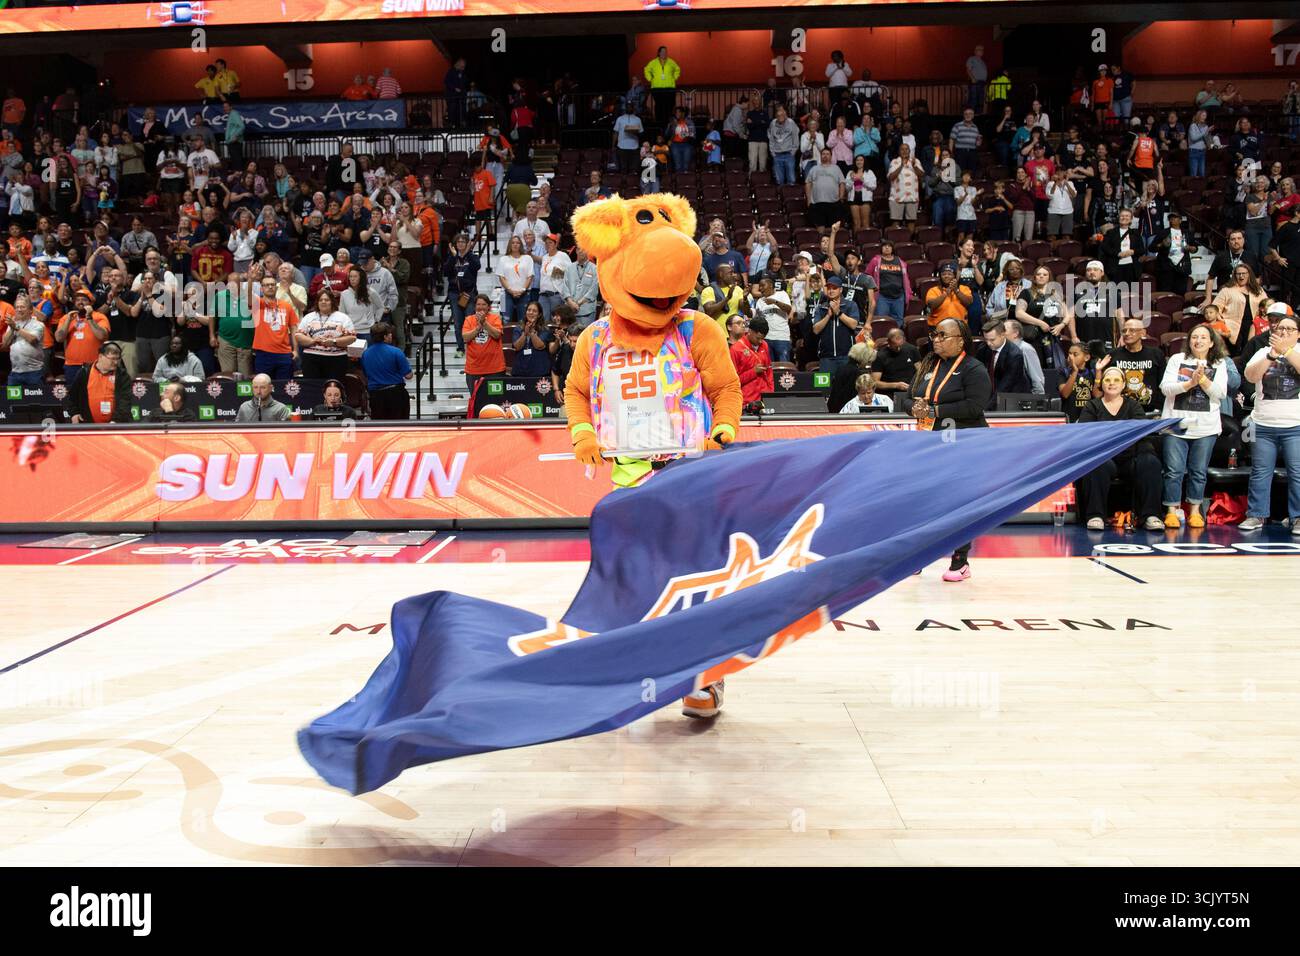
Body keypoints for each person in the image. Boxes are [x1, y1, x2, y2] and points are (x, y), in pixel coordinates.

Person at [906, 319, 991, 581]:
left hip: (962, 444)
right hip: (930, 444)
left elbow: (975, 406)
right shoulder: (929, 365)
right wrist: (915, 408)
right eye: (935, 334)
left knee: (957, 504)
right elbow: (908, 396)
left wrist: (936, 411)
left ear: (960, 340)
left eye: (943, 335)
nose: (936, 339)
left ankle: (960, 560)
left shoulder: (974, 369)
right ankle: (917, 557)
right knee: (923, 503)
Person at [1074, 366, 1164, 531]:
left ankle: (1151, 516)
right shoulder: (1092, 406)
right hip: (1105, 457)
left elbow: (1139, 433)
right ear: (1102, 384)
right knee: (1096, 464)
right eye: (1108, 380)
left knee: (1150, 462)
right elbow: (1087, 434)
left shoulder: (1134, 406)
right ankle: (1095, 516)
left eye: (1116, 380)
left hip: (1130, 457)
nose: (1112, 383)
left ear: (1123, 385)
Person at [1159, 324, 1230, 528]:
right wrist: (1190, 383)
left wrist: (1203, 380)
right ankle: (1171, 511)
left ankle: (1195, 511)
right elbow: (1166, 389)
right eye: (1194, 337)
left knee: (1198, 471)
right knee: (1174, 471)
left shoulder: (1219, 363)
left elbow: (1220, 393)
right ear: (1189, 341)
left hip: (1206, 427)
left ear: (1211, 342)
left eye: (1203, 337)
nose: (1198, 341)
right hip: (1176, 424)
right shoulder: (1177, 360)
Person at [1239, 311, 1300, 532]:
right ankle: (1256, 515)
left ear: (1298, 334)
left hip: (1295, 425)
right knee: (1260, 471)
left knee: (1298, 472)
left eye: (1289, 329)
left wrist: (1287, 351)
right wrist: (1271, 356)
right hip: (1262, 424)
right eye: (1280, 328)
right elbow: (1251, 376)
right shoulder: (1263, 352)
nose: (1283, 331)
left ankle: (1298, 517)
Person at [1097, 316, 1165, 412]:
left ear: (1143, 333)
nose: (1127, 333)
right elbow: (1104, 386)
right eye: (1124, 331)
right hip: (1120, 411)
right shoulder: (1113, 355)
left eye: (1132, 330)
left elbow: (1162, 384)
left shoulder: (1156, 354)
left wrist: (1159, 408)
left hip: (1150, 411)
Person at [63, 341, 131, 424]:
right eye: (112, 359)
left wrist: (116, 421)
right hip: (88, 426)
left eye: (118, 359)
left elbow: (125, 402)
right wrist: (74, 413)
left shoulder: (122, 376)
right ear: (100, 357)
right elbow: (72, 396)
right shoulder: (84, 372)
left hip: (115, 426)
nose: (116, 362)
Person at [295, 290, 356, 381]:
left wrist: (334, 342)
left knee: (333, 386)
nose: (323, 302)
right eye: (321, 300)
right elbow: (298, 336)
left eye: (327, 300)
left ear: (332, 301)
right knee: (313, 388)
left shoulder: (343, 318)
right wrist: (312, 341)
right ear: (317, 302)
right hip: (311, 359)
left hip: (336, 359)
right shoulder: (309, 317)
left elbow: (352, 338)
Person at [249, 272, 299, 379]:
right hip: (264, 353)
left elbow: (294, 328)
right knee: (263, 386)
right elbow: (248, 297)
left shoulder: (286, 306)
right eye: (267, 285)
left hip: (284, 353)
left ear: (276, 288)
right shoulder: (258, 304)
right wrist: (251, 280)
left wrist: (295, 349)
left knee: (283, 387)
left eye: (272, 284)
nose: (270, 287)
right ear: (261, 289)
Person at [359, 322, 412, 420]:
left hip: (376, 396)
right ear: (385, 336)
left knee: (380, 428)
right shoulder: (396, 352)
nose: (391, 335)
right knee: (400, 426)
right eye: (389, 333)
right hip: (395, 394)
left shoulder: (365, 354)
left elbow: (366, 374)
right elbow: (408, 375)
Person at [810, 273, 861, 373]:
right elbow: (816, 330)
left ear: (841, 290)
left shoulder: (850, 305)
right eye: (829, 288)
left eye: (834, 288)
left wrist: (838, 313)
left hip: (847, 356)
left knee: (846, 387)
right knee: (823, 388)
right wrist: (828, 315)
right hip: (826, 357)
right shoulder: (821, 308)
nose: (831, 290)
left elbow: (854, 324)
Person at [461, 293, 505, 397]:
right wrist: (478, 328)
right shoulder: (469, 319)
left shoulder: (495, 318)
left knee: (495, 402)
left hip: (495, 369)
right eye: (478, 304)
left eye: (484, 304)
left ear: (489, 307)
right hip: (474, 370)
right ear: (475, 306)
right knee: (476, 401)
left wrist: (484, 323)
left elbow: (497, 334)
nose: (481, 307)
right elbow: (465, 337)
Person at [729, 314, 772, 413]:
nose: (760, 341)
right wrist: (753, 372)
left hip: (764, 401)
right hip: (746, 403)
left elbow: (769, 372)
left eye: (763, 338)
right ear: (750, 331)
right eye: (758, 338)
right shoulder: (736, 349)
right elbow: (733, 382)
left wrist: (770, 394)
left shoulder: (764, 345)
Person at [979, 319, 1032, 399]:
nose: (988, 343)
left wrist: (988, 406)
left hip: (1012, 398)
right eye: (986, 339)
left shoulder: (1015, 355)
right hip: (992, 394)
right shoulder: (983, 349)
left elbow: (1006, 385)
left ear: (1003, 335)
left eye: (992, 340)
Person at [827, 341, 875, 413]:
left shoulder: (842, 368)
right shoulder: (855, 372)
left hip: (833, 408)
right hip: (844, 412)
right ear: (863, 357)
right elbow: (851, 396)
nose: (868, 362)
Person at [511, 301, 553, 378]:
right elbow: (517, 347)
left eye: (534, 311)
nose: (531, 313)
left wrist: (531, 332)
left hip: (539, 370)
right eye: (529, 310)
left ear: (539, 314)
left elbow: (539, 346)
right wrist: (524, 333)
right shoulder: (518, 329)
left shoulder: (545, 329)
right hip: (520, 370)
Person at [1059, 342, 1095, 421]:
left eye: (1075, 354)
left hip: (1089, 417)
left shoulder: (1092, 373)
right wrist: (1075, 371)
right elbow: (1065, 394)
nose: (1070, 357)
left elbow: (1097, 396)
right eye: (1069, 354)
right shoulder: (1064, 372)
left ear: (1086, 357)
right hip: (1070, 418)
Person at [644, 46, 680, 123]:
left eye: (665, 51)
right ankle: (659, 123)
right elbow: (646, 69)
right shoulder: (653, 62)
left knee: (669, 106)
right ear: (659, 53)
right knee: (659, 106)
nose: (664, 53)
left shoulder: (671, 62)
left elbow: (677, 69)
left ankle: (669, 123)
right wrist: (650, 79)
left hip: (669, 88)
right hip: (657, 88)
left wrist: (674, 78)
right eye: (663, 51)